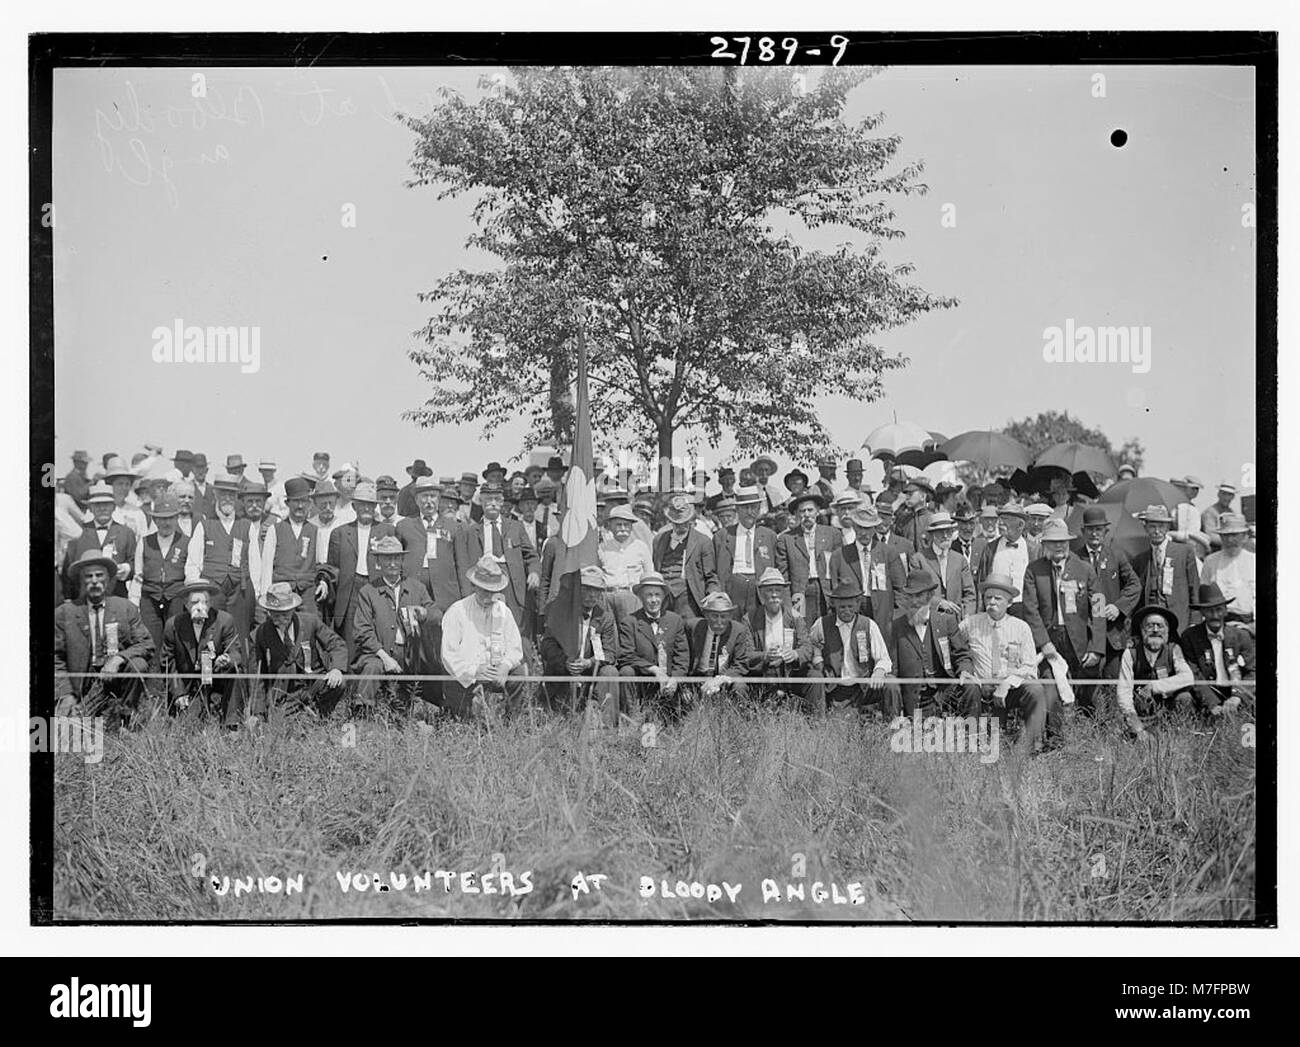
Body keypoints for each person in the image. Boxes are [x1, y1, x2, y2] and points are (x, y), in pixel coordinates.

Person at [956, 573, 1058, 752]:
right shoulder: (969, 624)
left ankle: (1031, 745)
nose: (992, 602)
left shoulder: (1021, 628)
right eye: (988, 598)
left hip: (1010, 689)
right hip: (981, 688)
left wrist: (1007, 683)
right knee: (969, 688)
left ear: (1010, 603)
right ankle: (970, 743)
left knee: (1035, 689)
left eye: (998, 598)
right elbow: (956, 648)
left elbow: (1029, 666)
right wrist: (967, 671)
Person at [54, 551, 155, 727]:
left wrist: (118, 658)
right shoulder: (65, 613)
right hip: (84, 683)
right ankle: (86, 712)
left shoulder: (125, 608)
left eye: (99, 575)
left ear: (108, 579)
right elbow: (56, 658)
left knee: (138, 664)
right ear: (81, 580)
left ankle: (126, 718)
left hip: (116, 679)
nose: (94, 581)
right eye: (89, 576)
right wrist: (66, 693)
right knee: (72, 729)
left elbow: (146, 644)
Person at [1021, 517, 1107, 715]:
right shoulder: (1034, 570)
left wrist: (1096, 648)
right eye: (1053, 541)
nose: (1059, 546)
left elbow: (1100, 609)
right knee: (1052, 691)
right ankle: (1056, 742)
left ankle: (1087, 740)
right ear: (1044, 544)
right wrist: (1044, 642)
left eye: (1063, 541)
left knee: (1086, 695)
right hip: (1049, 640)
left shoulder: (1085, 568)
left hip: (1080, 641)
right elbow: (1030, 610)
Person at [350, 536, 438, 720]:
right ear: (378, 562)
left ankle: (438, 718)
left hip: (410, 654)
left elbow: (437, 615)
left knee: (412, 701)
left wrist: (424, 613)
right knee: (372, 667)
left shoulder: (417, 588)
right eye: (386, 558)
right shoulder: (368, 592)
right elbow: (362, 632)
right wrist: (385, 657)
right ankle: (359, 720)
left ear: (402, 560)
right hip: (378, 653)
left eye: (396, 558)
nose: (392, 563)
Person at [439, 555, 529, 719]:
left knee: (519, 673)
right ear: (474, 586)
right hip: (467, 677)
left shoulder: (503, 611)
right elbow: (449, 655)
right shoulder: (457, 611)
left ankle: (511, 722)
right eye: (485, 591)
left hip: (496, 672)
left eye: (494, 591)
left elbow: (515, 648)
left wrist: (505, 666)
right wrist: (475, 670)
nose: (489, 597)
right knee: (467, 723)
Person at [250, 582, 348, 722]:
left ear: (293, 609)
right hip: (286, 693)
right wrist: (257, 714)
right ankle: (302, 718)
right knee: (282, 727)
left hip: (313, 683)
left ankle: (319, 715)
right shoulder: (260, 634)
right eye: (275, 615)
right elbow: (256, 676)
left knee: (339, 683)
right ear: (268, 612)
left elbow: (337, 644)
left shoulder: (310, 622)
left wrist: (336, 669)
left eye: (285, 614)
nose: (281, 619)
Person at [538, 565, 621, 724]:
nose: (591, 595)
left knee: (610, 671)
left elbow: (610, 654)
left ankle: (608, 726)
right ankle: (560, 718)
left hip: (591, 673)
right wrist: (565, 661)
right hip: (563, 670)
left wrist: (589, 662)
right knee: (563, 718)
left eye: (596, 591)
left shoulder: (605, 618)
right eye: (586, 589)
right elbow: (547, 645)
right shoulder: (560, 612)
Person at [1072, 505, 1142, 690]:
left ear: (1106, 531)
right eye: (1090, 529)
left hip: (1113, 632)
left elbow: (1134, 585)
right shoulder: (1075, 559)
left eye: (1098, 529)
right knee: (1087, 684)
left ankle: (1112, 718)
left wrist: (1118, 607)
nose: (1094, 534)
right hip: (1087, 632)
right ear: (1083, 531)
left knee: (1113, 682)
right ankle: (1087, 718)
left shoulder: (1116, 555)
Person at [891, 567, 975, 718]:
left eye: (919, 595)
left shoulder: (946, 621)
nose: (914, 601)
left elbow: (962, 655)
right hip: (915, 698)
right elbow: (893, 668)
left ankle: (972, 738)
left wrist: (964, 670)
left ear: (930, 596)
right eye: (910, 596)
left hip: (944, 693)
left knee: (971, 687)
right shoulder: (897, 626)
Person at [325, 482, 396, 660]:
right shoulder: (340, 533)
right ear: (354, 506)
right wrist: (323, 581)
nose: (366, 508)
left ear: (375, 507)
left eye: (370, 505)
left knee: (378, 634)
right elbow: (332, 567)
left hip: (377, 589)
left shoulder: (388, 531)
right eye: (362, 504)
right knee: (350, 638)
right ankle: (350, 683)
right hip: (350, 591)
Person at [809, 577, 898, 716]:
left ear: (857, 605)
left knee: (891, 684)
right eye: (842, 607)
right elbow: (811, 646)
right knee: (843, 729)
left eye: (850, 607)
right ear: (834, 605)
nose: (846, 611)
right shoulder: (821, 624)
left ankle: (892, 727)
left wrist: (879, 671)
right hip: (837, 688)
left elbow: (884, 658)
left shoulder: (868, 625)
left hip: (865, 685)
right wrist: (818, 659)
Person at [455, 481, 539, 628]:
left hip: (512, 584)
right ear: (481, 502)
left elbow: (531, 556)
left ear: (502, 502)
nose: (493, 503)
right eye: (488, 499)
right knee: (485, 626)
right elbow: (464, 565)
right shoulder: (471, 531)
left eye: (497, 499)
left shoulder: (515, 527)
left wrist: (534, 572)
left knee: (515, 627)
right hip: (484, 581)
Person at [161, 578, 244, 725]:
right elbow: (167, 662)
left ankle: (231, 723)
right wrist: (178, 692)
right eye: (194, 603)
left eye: (204, 602)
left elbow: (236, 653)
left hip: (216, 677)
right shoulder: (173, 625)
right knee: (189, 725)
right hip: (189, 683)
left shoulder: (224, 621)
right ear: (186, 605)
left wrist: (227, 659)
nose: (200, 607)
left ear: (210, 603)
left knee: (237, 671)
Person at [1116, 606, 1199, 739]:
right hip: (1141, 713)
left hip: (1168, 711)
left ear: (1167, 631)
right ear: (1142, 630)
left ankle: (1181, 736)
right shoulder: (1130, 654)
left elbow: (1188, 677)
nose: (1155, 630)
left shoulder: (1174, 650)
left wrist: (1155, 686)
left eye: (1160, 626)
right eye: (1150, 626)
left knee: (1185, 697)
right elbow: (1123, 692)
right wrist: (1137, 727)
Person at [616, 571, 691, 717]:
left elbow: (682, 656)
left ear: (663, 597)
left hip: (669, 682)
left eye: (657, 595)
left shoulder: (675, 621)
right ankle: (632, 716)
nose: (653, 600)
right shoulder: (630, 622)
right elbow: (626, 655)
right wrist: (654, 670)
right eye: (648, 595)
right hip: (643, 681)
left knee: (670, 726)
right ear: (641, 597)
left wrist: (674, 679)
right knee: (626, 671)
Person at [1178, 583, 1255, 716]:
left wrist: (1237, 696)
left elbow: (1252, 671)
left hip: (1236, 692)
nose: (1215, 615)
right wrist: (1211, 702)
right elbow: (1194, 673)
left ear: (1226, 610)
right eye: (1209, 611)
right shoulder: (1190, 636)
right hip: (1208, 692)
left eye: (1219, 610)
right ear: (1202, 612)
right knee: (1184, 698)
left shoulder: (1241, 635)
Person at [133, 494, 197, 654]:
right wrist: (134, 602)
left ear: (176, 518)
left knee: (176, 639)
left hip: (175, 597)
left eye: (170, 518)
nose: (166, 523)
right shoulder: (144, 542)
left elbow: (191, 574)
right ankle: (155, 678)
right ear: (154, 520)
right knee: (151, 641)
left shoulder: (187, 541)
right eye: (161, 519)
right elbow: (138, 575)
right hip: (150, 598)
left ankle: (175, 678)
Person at [746, 568, 816, 710]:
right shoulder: (749, 619)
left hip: (789, 672)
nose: (774, 595)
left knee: (815, 677)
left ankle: (816, 721)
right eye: (769, 590)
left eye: (778, 590)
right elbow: (745, 653)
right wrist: (765, 656)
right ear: (760, 593)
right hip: (763, 673)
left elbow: (807, 647)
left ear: (783, 593)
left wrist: (795, 654)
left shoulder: (795, 616)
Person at [185, 474, 256, 616]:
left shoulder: (247, 526)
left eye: (231, 494)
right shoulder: (204, 525)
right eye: (223, 494)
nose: (227, 498)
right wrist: (197, 590)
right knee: (213, 630)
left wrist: (257, 591)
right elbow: (193, 562)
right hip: (212, 588)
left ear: (237, 497)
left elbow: (255, 563)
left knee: (239, 632)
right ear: (215, 495)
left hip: (240, 590)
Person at [1130, 505, 1201, 631]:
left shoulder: (1184, 552)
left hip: (1179, 621)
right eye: (1152, 526)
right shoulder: (1140, 560)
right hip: (1152, 623)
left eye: (1161, 526)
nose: (1157, 531)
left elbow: (1194, 589)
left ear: (1168, 528)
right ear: (1145, 528)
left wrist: (1195, 621)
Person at [713, 486, 779, 623]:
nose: (750, 512)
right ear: (737, 510)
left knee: (757, 627)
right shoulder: (723, 535)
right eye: (745, 508)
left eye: (754, 507)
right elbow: (713, 569)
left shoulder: (769, 536)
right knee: (732, 626)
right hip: (733, 586)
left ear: (759, 508)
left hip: (758, 587)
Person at [62, 482, 136, 600]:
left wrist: (128, 569)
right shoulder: (78, 533)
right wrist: (68, 598)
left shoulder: (126, 533)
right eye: (97, 505)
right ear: (90, 508)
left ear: (114, 507)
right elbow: (68, 571)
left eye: (106, 504)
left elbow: (136, 563)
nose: (102, 508)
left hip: (117, 597)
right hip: (84, 600)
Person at [652, 493, 720, 621]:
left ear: (691, 520)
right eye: (676, 523)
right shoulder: (659, 540)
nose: (681, 526)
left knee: (688, 632)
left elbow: (711, 575)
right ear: (670, 521)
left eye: (685, 522)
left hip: (688, 598)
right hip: (663, 598)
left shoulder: (702, 542)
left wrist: (713, 593)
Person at [261, 477, 323, 617]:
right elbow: (266, 567)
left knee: (307, 630)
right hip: (281, 593)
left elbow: (319, 564)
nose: (300, 506)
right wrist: (266, 596)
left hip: (307, 594)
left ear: (309, 503)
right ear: (287, 503)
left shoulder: (315, 531)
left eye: (303, 501)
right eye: (296, 501)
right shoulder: (274, 530)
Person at [777, 491, 840, 622]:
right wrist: (788, 604)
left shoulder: (832, 534)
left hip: (826, 590)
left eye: (810, 510)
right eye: (802, 511)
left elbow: (839, 569)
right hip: (800, 592)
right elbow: (784, 576)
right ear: (796, 514)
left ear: (817, 511)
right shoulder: (786, 539)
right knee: (801, 628)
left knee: (828, 629)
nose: (806, 514)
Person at [685, 592, 753, 705]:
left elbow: (740, 664)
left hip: (723, 678)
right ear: (706, 615)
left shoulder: (738, 631)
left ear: (730, 616)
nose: (719, 621)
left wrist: (720, 680)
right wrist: (684, 685)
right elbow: (683, 658)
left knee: (740, 686)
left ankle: (737, 719)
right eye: (714, 616)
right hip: (698, 677)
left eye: (724, 616)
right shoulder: (692, 627)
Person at [915, 511, 977, 618]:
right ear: (932, 535)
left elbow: (970, 594)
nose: (945, 536)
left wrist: (967, 615)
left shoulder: (960, 560)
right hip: (930, 619)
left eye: (948, 532)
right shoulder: (919, 559)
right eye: (940, 532)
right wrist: (938, 603)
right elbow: (917, 591)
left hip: (956, 620)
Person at [975, 502, 1032, 614]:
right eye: (1000, 518)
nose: (1000, 522)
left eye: (1006, 519)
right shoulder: (990, 548)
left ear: (1020, 525)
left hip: (1024, 609)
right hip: (996, 608)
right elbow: (981, 580)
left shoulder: (1034, 549)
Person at [1199, 513, 1254, 626]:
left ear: (1245, 536)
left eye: (1234, 535)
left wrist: (1252, 627)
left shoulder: (1253, 561)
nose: (1230, 540)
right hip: (1218, 621)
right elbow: (1204, 594)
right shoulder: (1210, 561)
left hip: (1248, 621)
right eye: (1225, 535)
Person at [600, 504, 655, 616]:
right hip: (607, 597)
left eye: (626, 525)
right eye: (618, 525)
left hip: (631, 596)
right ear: (610, 526)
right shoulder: (602, 547)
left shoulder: (640, 547)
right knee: (609, 631)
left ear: (631, 527)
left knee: (630, 630)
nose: (623, 528)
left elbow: (649, 574)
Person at [892, 477, 934, 550]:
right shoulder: (903, 520)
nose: (907, 497)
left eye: (911, 494)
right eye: (907, 494)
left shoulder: (932, 519)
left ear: (922, 496)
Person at [1201, 483, 1237, 551]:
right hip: (1214, 550)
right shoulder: (1210, 512)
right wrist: (1231, 542)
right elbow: (1211, 536)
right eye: (1224, 494)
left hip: (1230, 549)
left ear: (1233, 497)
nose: (1226, 497)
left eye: (1230, 494)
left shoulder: (1232, 512)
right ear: (1219, 494)